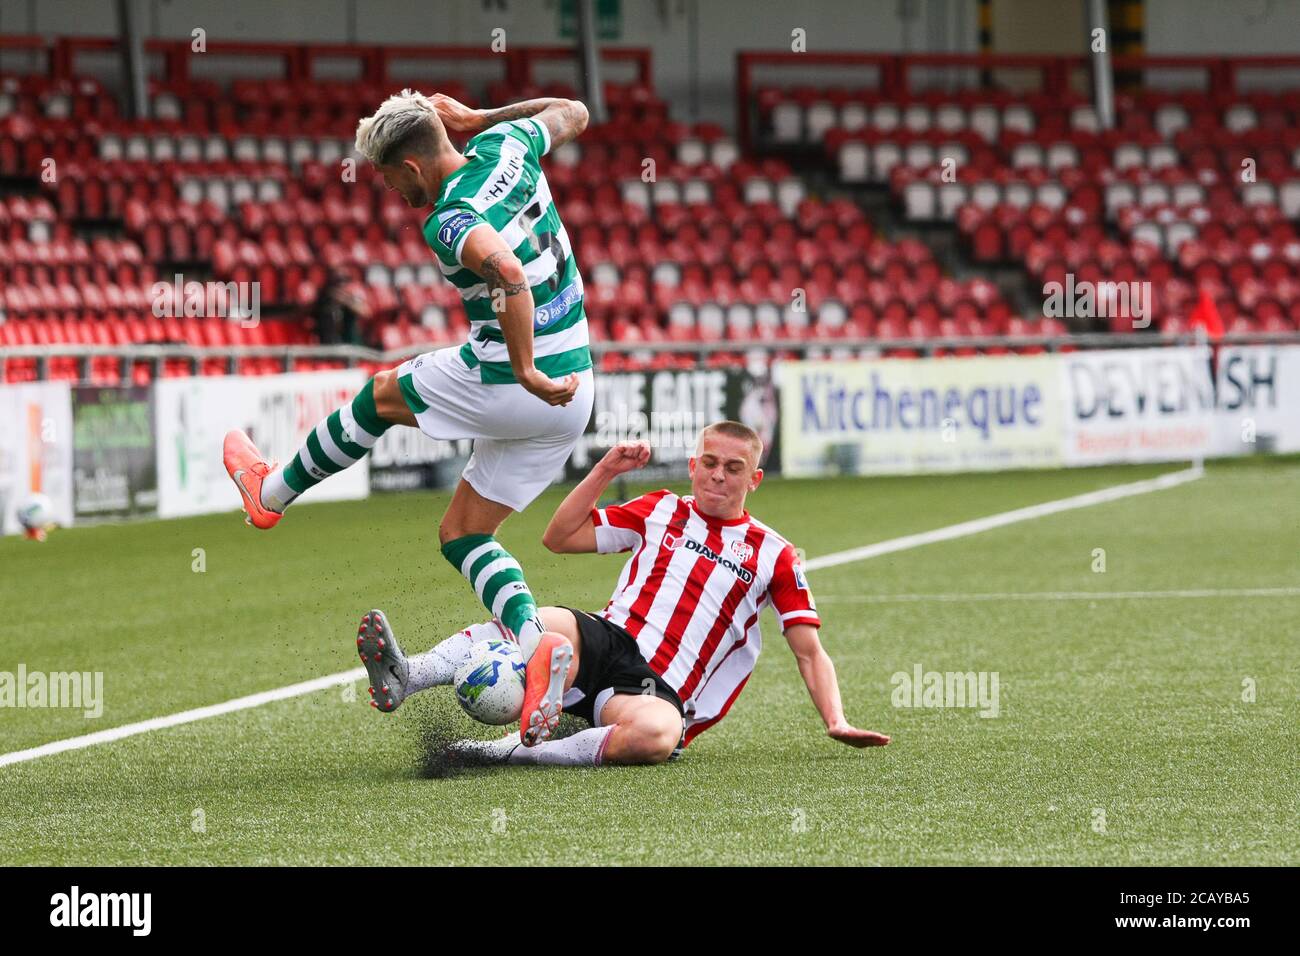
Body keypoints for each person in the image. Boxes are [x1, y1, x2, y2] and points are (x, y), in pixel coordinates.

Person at [223, 88, 593, 745]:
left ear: (413, 168)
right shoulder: (508, 144)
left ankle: (269, 494)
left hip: (518, 380)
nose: (392, 191)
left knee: (380, 397)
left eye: (389, 178)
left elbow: (508, 271)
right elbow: (574, 112)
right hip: (576, 391)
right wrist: (481, 118)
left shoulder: (449, 214)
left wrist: (528, 370)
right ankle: (538, 648)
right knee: (464, 535)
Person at [356, 422, 891, 766]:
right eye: (709, 463)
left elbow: (808, 650)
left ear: (755, 479)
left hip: (657, 688)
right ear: (692, 465)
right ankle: (411, 674)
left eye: (733, 469)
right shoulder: (662, 508)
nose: (718, 476)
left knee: (659, 737)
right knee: (540, 624)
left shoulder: (774, 553)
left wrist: (835, 721)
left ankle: (502, 753)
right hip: (605, 640)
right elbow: (559, 537)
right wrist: (607, 469)